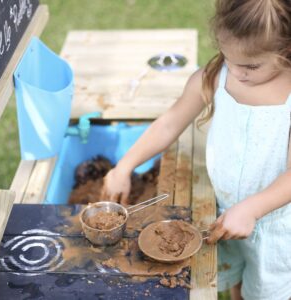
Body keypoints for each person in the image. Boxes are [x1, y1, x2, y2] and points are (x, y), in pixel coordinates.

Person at [101, 1, 291, 299]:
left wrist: (252, 208)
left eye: (251, 66)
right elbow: (168, 124)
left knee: (264, 293)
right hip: (224, 213)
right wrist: (124, 166)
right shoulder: (216, 77)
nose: (238, 73)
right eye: (229, 58)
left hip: (277, 231)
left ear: (285, 51)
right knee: (237, 285)